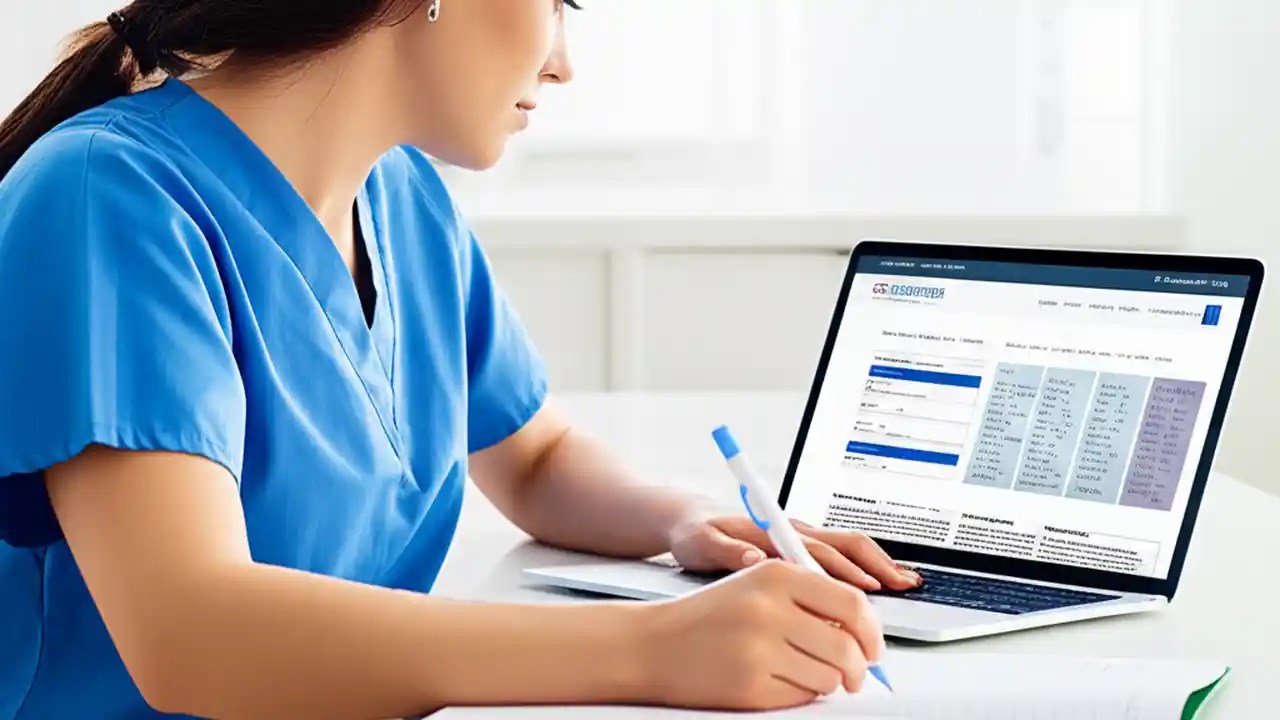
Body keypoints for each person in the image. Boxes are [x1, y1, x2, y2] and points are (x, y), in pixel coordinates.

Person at [0, 2, 922, 717]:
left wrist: (691, 520)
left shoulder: (403, 199)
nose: (563, 62)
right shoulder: (106, 198)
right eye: (558, 5)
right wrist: (649, 649)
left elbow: (533, 456)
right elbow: (191, 634)